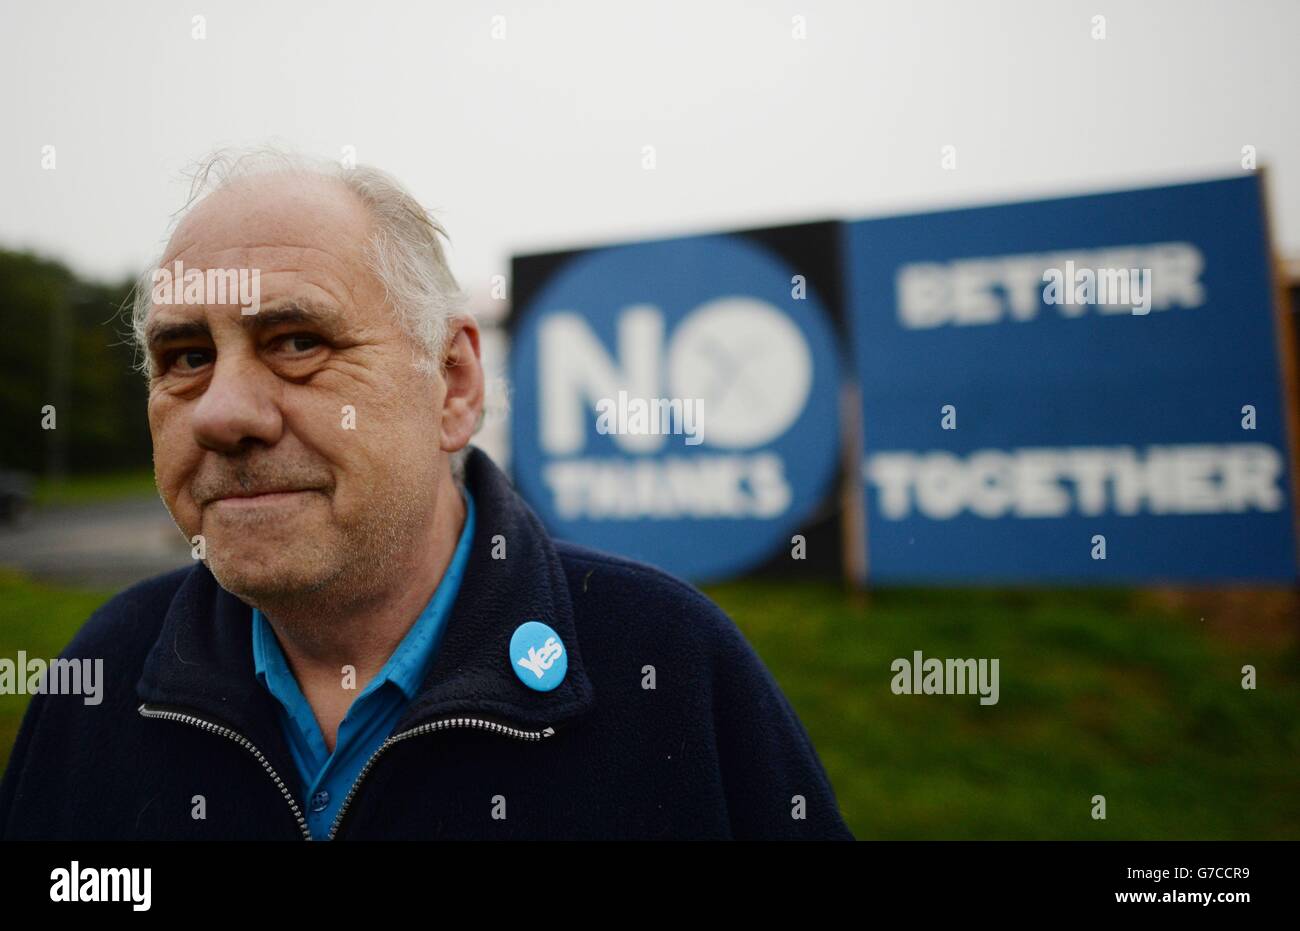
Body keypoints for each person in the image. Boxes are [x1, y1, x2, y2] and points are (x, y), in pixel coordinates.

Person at [0, 149, 853, 840]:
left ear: (452, 384)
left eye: (298, 341)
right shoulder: (100, 676)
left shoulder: (671, 669)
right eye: (186, 357)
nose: (225, 412)